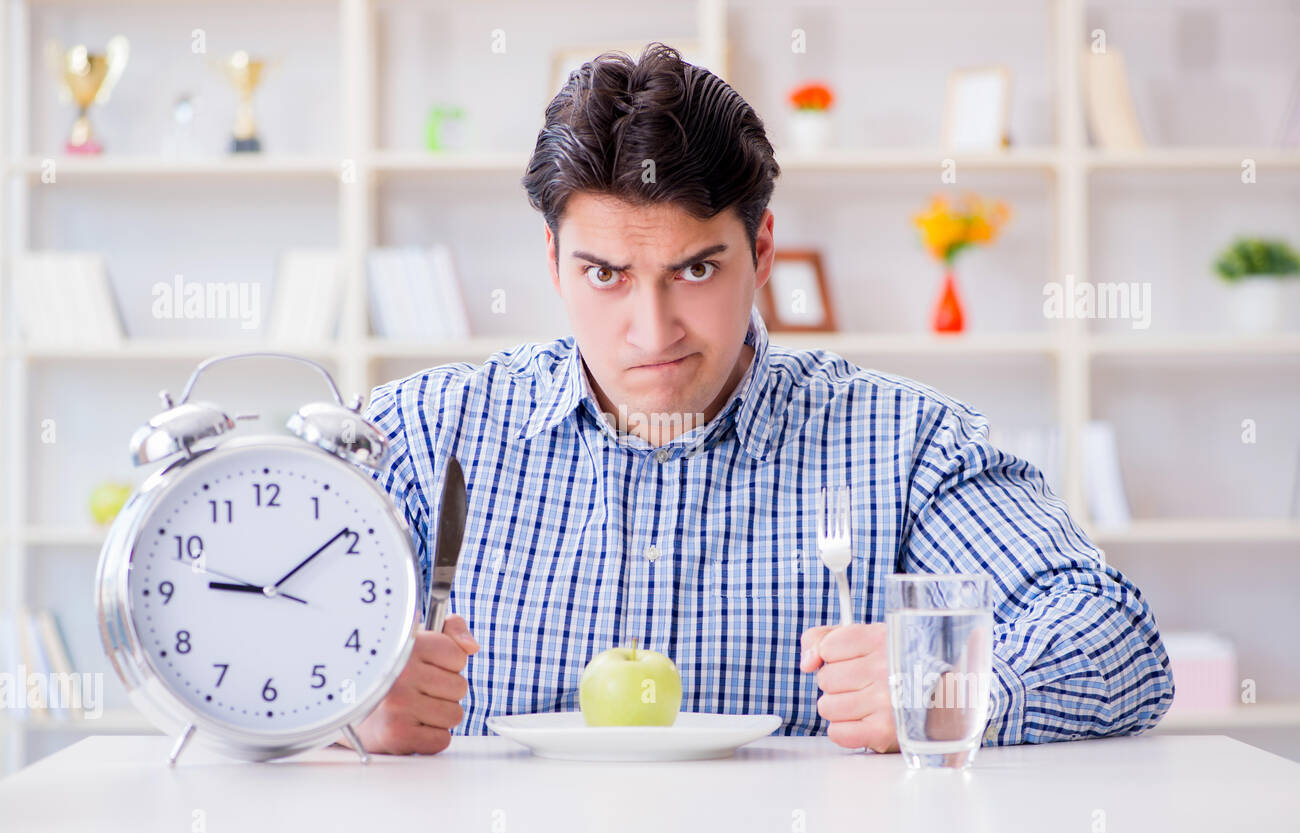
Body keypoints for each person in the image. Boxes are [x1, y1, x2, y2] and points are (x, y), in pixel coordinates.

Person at [341, 42, 1173, 757]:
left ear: (763, 248)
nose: (651, 330)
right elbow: (234, 659)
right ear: (553, 260)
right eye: (606, 275)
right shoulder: (420, 435)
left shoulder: (907, 442)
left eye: (695, 269)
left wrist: (950, 685)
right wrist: (345, 709)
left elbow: (1118, 640)